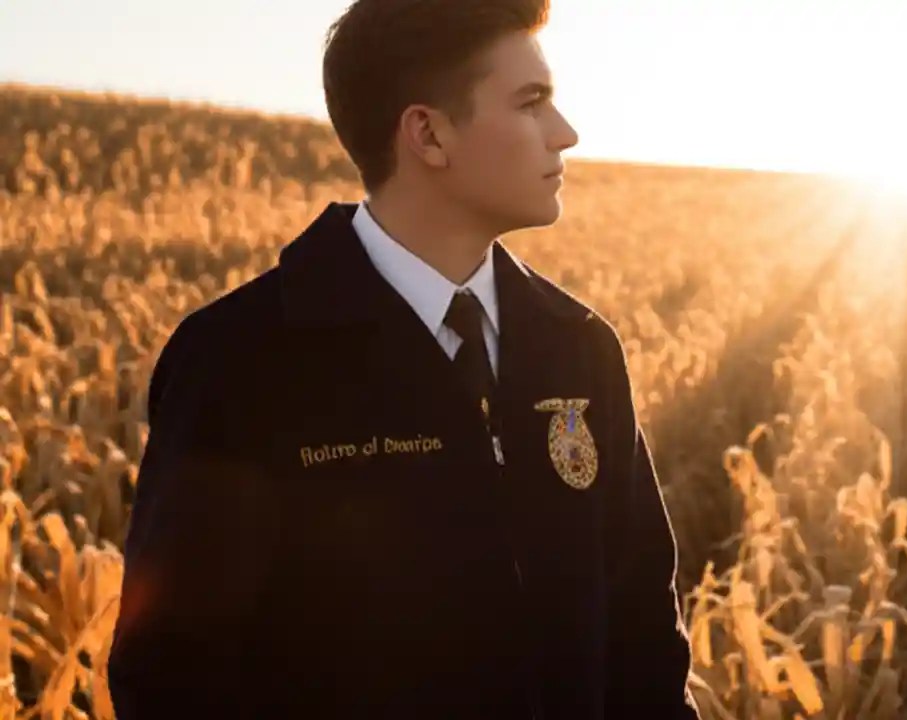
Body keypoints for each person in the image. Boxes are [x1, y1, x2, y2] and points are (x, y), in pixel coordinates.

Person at [105, 0, 701, 717]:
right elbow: (172, 678)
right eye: (531, 102)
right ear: (428, 133)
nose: (565, 133)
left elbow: (644, 642)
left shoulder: (578, 347)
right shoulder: (239, 361)